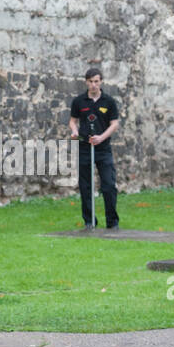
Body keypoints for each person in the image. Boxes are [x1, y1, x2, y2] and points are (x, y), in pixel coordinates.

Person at [68, 68, 120, 230]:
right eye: (90, 81)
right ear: (86, 82)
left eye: (96, 81)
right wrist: (75, 131)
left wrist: (101, 138)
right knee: (86, 185)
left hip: (103, 149)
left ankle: (112, 222)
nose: (93, 85)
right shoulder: (79, 101)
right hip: (85, 148)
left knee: (109, 185)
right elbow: (73, 121)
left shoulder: (109, 102)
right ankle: (89, 221)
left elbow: (114, 124)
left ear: (101, 82)